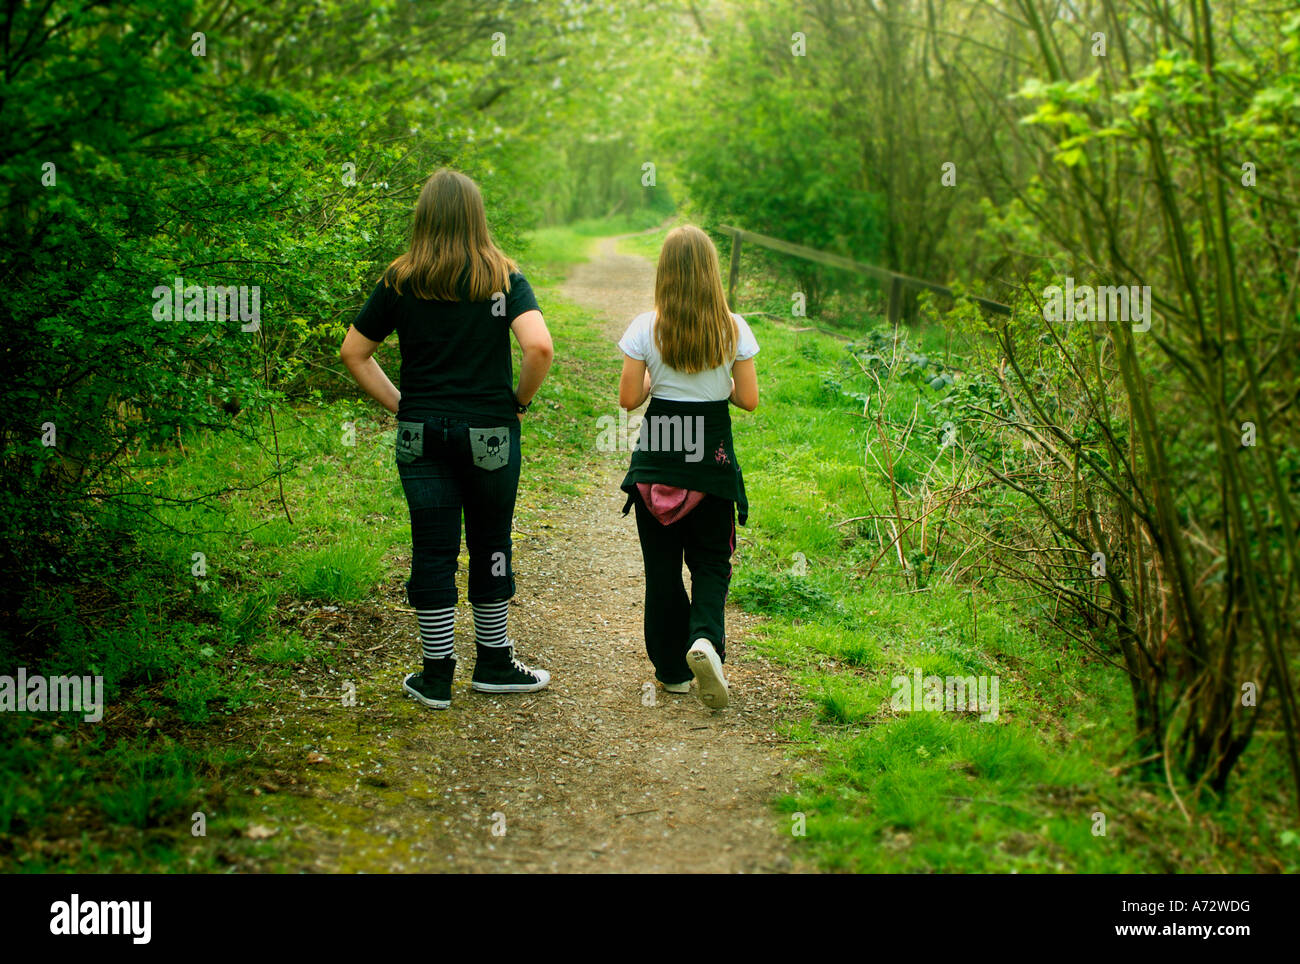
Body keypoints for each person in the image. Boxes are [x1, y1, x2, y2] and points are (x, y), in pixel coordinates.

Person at [340, 168, 554, 710]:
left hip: (421, 436)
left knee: (432, 548)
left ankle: (436, 675)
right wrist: (517, 402)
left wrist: (404, 405)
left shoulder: (400, 280)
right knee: (490, 544)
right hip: (490, 435)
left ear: (424, 216)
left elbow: (353, 354)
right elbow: (540, 349)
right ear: (477, 217)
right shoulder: (502, 278)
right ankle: (494, 663)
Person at [617, 225, 759, 709]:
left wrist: (660, 378)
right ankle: (705, 639)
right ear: (711, 273)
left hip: (657, 461)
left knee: (661, 570)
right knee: (711, 562)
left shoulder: (645, 326)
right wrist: (718, 382)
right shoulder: (734, 328)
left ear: (665, 273)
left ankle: (673, 672)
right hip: (712, 466)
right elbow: (749, 400)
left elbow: (629, 398)